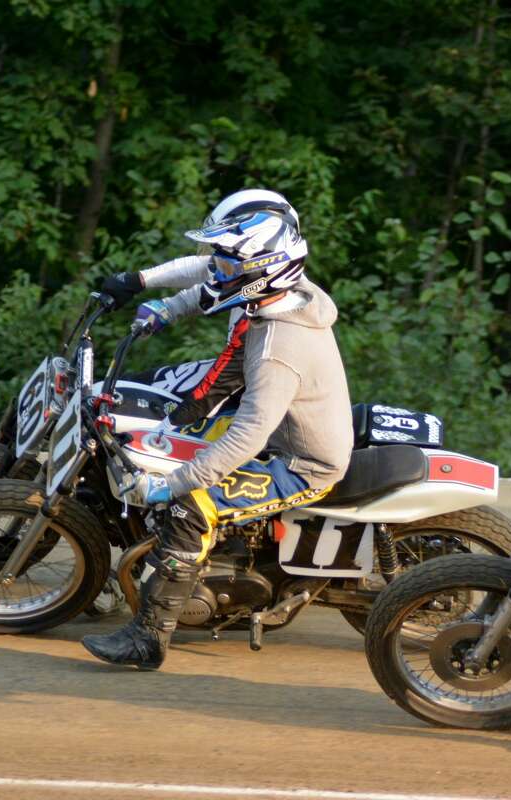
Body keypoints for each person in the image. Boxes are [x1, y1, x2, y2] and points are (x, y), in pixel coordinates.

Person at [81, 189, 353, 670]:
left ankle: (149, 639)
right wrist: (164, 305)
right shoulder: (274, 293)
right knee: (154, 438)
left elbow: (247, 435)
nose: (217, 267)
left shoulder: (278, 345)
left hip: (302, 463)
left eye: (228, 260)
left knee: (189, 507)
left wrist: (173, 486)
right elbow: (204, 275)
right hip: (277, 432)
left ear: (259, 270)